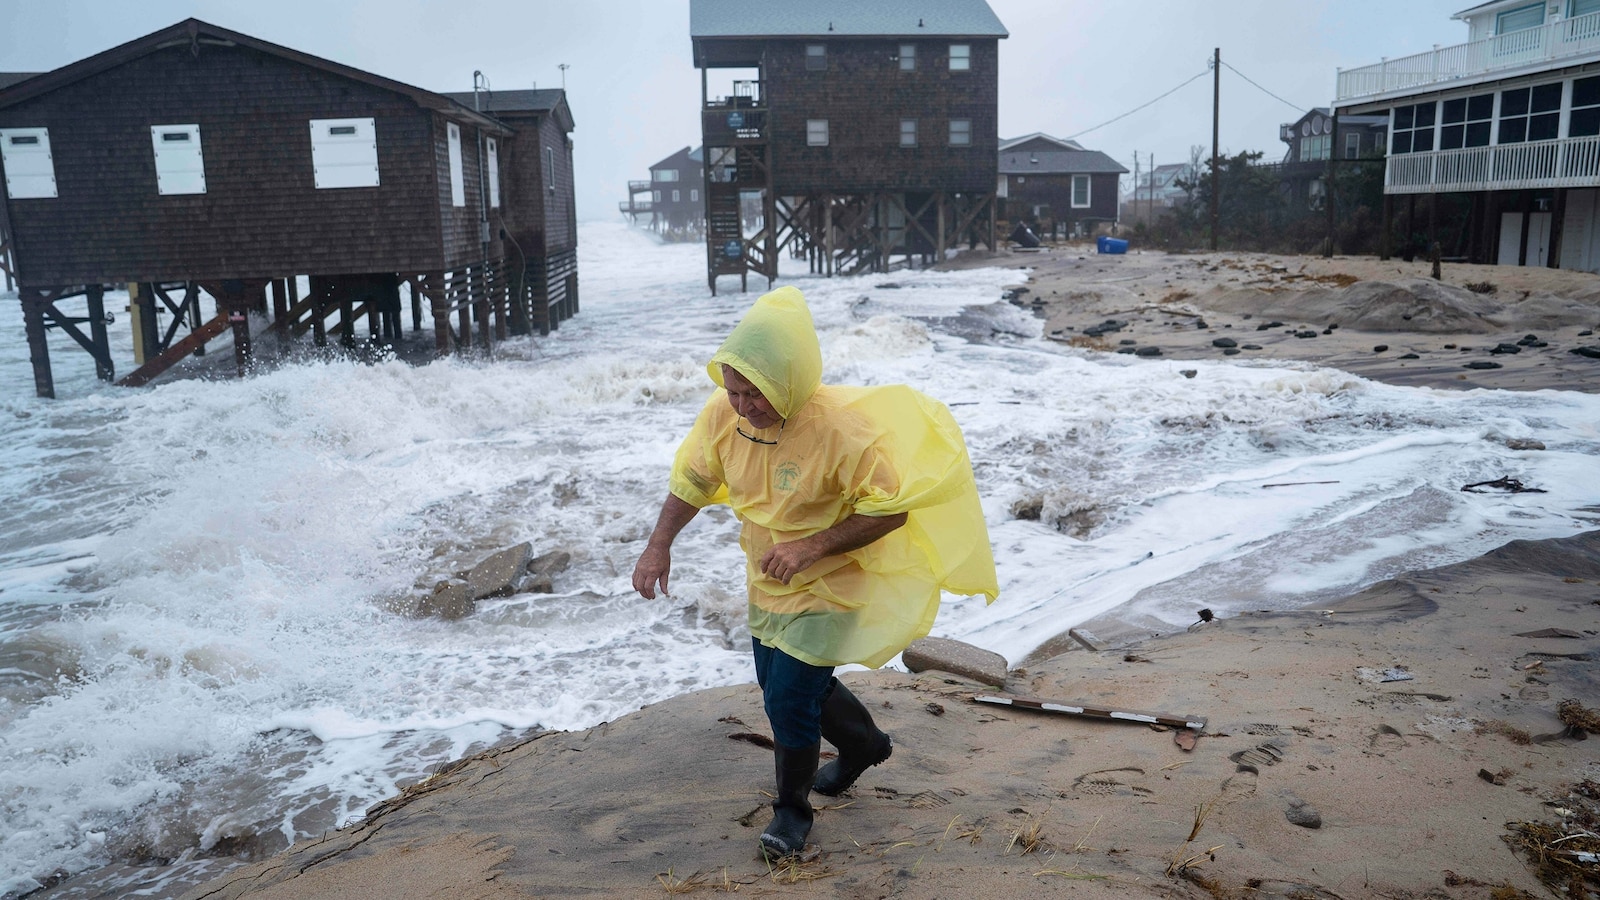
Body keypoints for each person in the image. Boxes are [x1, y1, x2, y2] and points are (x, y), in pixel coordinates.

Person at [631, 286, 998, 860]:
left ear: (789, 382)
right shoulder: (723, 415)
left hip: (833, 581)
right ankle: (866, 745)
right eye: (733, 391)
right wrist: (658, 546)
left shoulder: (844, 431)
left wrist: (813, 547)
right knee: (786, 685)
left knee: (787, 700)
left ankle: (791, 814)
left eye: (755, 393)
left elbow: (891, 510)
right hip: (768, 577)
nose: (742, 405)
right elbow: (693, 481)